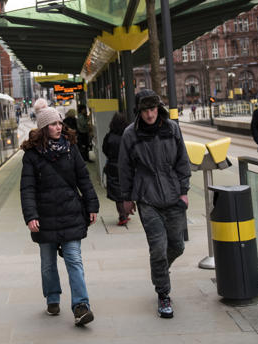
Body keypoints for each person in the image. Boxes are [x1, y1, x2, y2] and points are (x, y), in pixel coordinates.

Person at [20, 106, 99, 326]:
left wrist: (92, 205)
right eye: (54, 124)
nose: (59, 127)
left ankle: (81, 306)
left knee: (74, 259)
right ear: (44, 128)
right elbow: (27, 189)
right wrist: (30, 216)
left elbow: (83, 179)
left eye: (59, 123)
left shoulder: (71, 148)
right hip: (44, 217)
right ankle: (53, 297)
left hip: (70, 212)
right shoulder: (32, 156)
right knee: (48, 263)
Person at [118, 89, 191, 319]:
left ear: (158, 108)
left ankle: (160, 270)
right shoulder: (131, 134)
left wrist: (184, 191)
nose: (149, 115)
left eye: (152, 109)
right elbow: (124, 168)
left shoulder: (172, 128)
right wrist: (127, 197)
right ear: (138, 112)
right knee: (158, 248)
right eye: (144, 110)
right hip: (147, 197)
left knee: (177, 246)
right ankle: (163, 294)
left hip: (173, 196)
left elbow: (183, 160)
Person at [101, 112, 130, 225]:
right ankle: (126, 214)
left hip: (112, 166)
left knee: (117, 193)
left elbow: (104, 149)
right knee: (126, 190)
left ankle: (122, 216)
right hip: (126, 166)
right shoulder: (127, 135)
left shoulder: (109, 136)